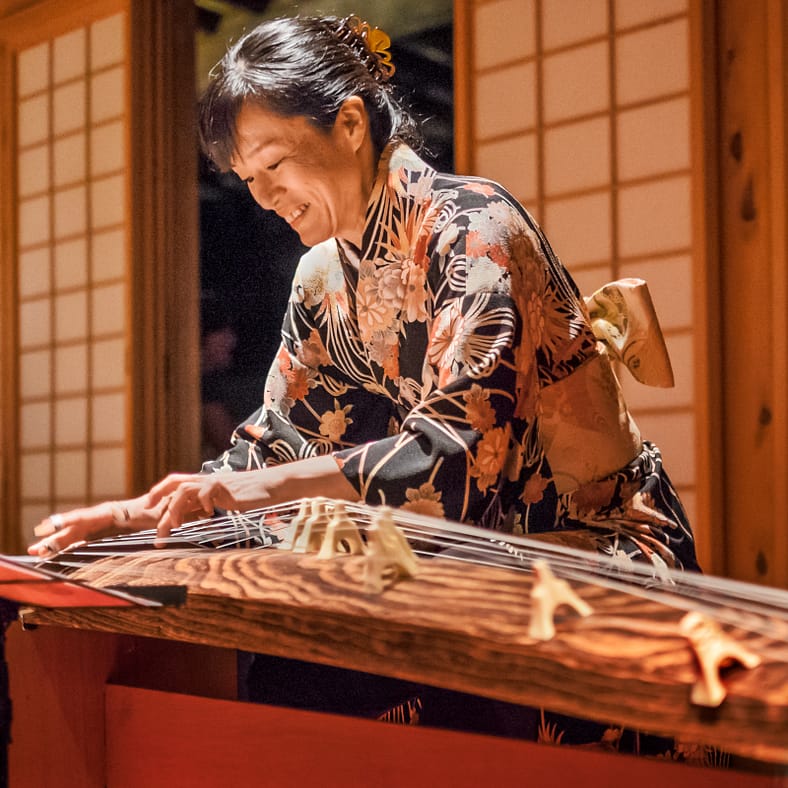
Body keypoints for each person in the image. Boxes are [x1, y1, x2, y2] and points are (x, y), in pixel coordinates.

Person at [28, 13, 703, 754]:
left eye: (275, 164)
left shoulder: (472, 227)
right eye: (248, 179)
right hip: (474, 559)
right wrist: (138, 515)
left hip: (583, 546)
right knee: (292, 666)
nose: (263, 196)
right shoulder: (324, 277)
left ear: (350, 123)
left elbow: (455, 457)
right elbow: (275, 448)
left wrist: (247, 495)